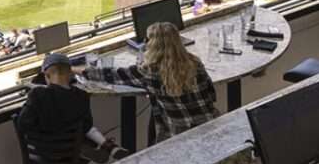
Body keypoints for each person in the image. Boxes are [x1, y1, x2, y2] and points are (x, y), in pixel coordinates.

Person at [81, 22, 217, 142]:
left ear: (152, 44)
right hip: (212, 125)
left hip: (177, 134)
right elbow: (211, 94)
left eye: (147, 39)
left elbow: (112, 75)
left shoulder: (149, 71)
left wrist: (78, 70)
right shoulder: (194, 62)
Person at [16, 52, 121, 164]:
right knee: (85, 132)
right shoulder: (82, 96)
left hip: (44, 153)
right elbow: (86, 126)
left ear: (46, 76)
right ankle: (94, 147)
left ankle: (75, 148)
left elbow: (23, 124)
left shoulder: (37, 94)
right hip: (72, 152)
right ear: (71, 75)